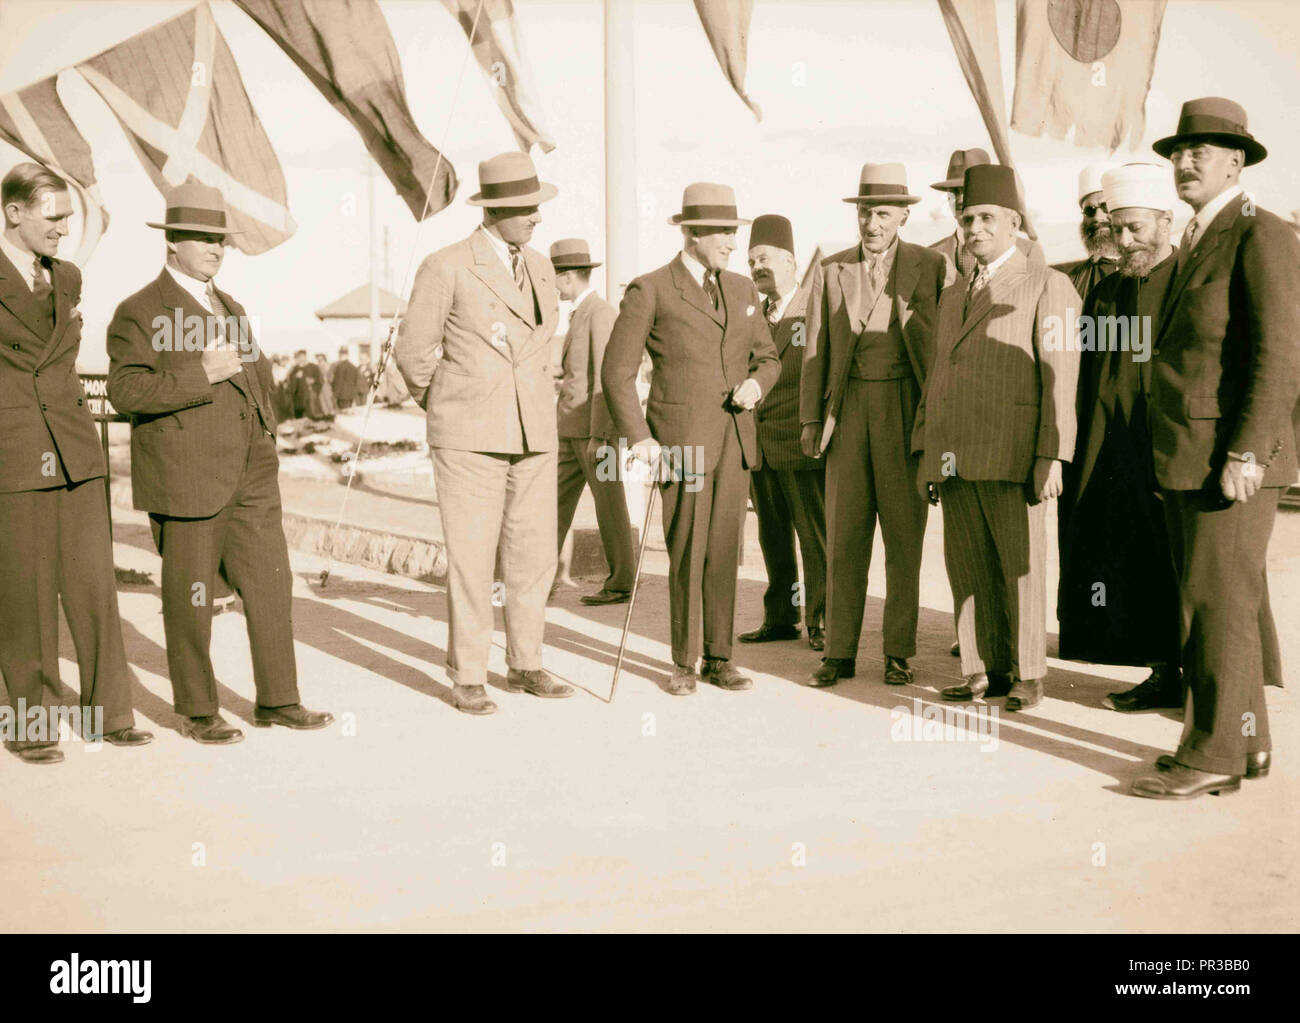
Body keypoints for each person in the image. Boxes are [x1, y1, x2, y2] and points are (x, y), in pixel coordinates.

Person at [106, 181, 333, 744]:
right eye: (202, 238)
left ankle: (279, 700)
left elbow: (259, 376)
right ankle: (198, 710)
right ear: (171, 243)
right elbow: (125, 390)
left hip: (253, 473)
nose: (215, 248)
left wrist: (268, 436)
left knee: (271, 586)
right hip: (186, 478)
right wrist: (197, 374)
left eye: (220, 239)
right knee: (191, 597)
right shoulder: (139, 310)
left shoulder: (232, 306)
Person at [1132, 98, 1300, 799]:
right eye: (1177, 150)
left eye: (1201, 149)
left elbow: (1281, 351)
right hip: (1189, 453)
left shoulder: (1261, 233)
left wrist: (1249, 452)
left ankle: (1214, 754)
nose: (1184, 161)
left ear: (1237, 160)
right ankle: (1248, 744)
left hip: (1226, 457)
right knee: (1215, 599)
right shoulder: (1202, 234)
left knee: (1217, 605)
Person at [395, 152, 573, 715]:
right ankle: (469, 673)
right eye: (525, 209)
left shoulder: (542, 266)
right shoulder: (447, 265)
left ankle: (526, 663)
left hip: (535, 434)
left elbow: (540, 346)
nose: (536, 218)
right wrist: (453, 405)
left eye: (537, 207)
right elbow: (412, 353)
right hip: (469, 436)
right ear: (494, 209)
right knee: (472, 559)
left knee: (533, 556)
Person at [911, 164, 1081, 712]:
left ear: (1014, 224)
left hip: (1012, 455)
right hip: (954, 457)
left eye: (986, 218)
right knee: (968, 569)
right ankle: (983, 670)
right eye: (967, 219)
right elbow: (936, 378)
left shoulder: (1046, 284)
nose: (974, 228)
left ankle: (1029, 672)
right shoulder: (954, 294)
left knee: (1021, 567)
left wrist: (1052, 453)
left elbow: (1061, 375)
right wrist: (926, 454)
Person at [602, 182, 780, 695]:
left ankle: (720, 658)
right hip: (681, 447)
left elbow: (768, 359)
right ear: (692, 233)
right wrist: (642, 441)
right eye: (723, 231)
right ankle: (684, 662)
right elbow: (616, 374)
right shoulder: (651, 289)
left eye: (733, 231)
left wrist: (757, 384)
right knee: (687, 553)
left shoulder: (744, 290)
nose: (731, 241)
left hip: (735, 443)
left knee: (724, 553)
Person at [0, 162, 152, 763]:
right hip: (12, 451)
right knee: (24, 593)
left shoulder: (67, 278)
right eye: (53, 215)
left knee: (93, 586)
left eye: (67, 216)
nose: (64, 227)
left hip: (75, 450)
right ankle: (32, 723)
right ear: (14, 212)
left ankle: (107, 715)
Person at [798, 167, 947, 688]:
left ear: (904, 215)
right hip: (849, 410)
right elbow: (814, 349)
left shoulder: (931, 266)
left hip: (907, 409)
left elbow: (941, 353)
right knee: (844, 538)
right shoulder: (832, 269)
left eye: (883, 212)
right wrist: (812, 418)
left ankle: (898, 653)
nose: (872, 222)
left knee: (904, 540)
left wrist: (936, 427)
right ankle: (839, 653)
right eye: (865, 211)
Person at [1057, 164, 1182, 709]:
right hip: (1114, 455)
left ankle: (1206, 681)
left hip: (1176, 453)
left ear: (1165, 222)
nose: (1125, 240)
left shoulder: (1189, 281)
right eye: (1119, 228)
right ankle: (1162, 672)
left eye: (1136, 229)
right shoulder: (1106, 294)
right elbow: (1085, 375)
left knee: (1187, 568)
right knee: (1132, 561)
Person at [739, 214, 827, 652]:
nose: (757, 267)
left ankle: (823, 621)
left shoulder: (814, 309)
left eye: (766, 258)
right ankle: (780, 617)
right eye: (752, 260)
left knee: (814, 538)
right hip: (760, 448)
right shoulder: (750, 314)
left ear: (791, 262)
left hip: (801, 443)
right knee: (771, 537)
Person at [551, 238, 637, 606]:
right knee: (551, 504)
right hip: (572, 431)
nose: (553, 285)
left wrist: (602, 435)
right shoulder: (579, 313)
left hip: (594, 433)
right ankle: (536, 579)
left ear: (568, 277)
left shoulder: (599, 313)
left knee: (610, 507)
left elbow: (607, 376)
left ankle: (621, 582)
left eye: (556, 277)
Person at [1051, 164, 1121, 305]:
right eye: (1090, 210)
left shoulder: (1156, 269)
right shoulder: (1070, 281)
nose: (1097, 218)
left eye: (1105, 207)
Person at [286, 349, 322, 419]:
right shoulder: (295, 369)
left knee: (312, 416)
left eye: (302, 356)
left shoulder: (313, 367)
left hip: (310, 396)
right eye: (299, 357)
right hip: (298, 398)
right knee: (299, 417)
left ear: (305, 357)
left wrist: (313, 381)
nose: (301, 359)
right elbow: (290, 382)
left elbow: (320, 380)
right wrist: (296, 377)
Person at [331, 346, 359, 411]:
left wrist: (335, 395)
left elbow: (338, 382)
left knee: (342, 414)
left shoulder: (340, 367)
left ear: (341, 355)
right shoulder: (353, 366)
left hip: (341, 396)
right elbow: (355, 382)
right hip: (350, 396)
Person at [314, 352, 338, 418]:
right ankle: (326, 414)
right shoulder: (317, 366)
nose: (319, 359)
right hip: (320, 385)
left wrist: (328, 380)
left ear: (324, 358)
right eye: (318, 358)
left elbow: (330, 375)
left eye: (320, 357)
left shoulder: (327, 365)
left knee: (328, 399)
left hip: (326, 385)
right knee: (321, 399)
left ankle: (332, 413)